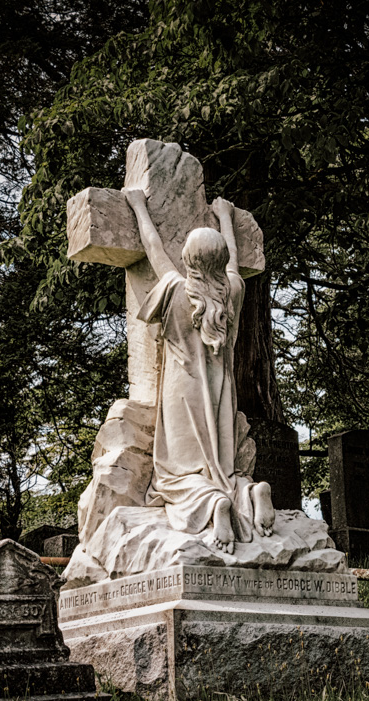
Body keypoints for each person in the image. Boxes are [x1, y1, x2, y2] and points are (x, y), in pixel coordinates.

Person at [123, 188, 275, 554]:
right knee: (221, 468)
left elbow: (154, 249)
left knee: (176, 474)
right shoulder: (232, 292)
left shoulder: (176, 289)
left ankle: (212, 505)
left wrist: (139, 206)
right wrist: (225, 216)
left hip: (183, 396)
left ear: (188, 260)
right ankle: (248, 492)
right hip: (222, 393)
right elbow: (234, 263)